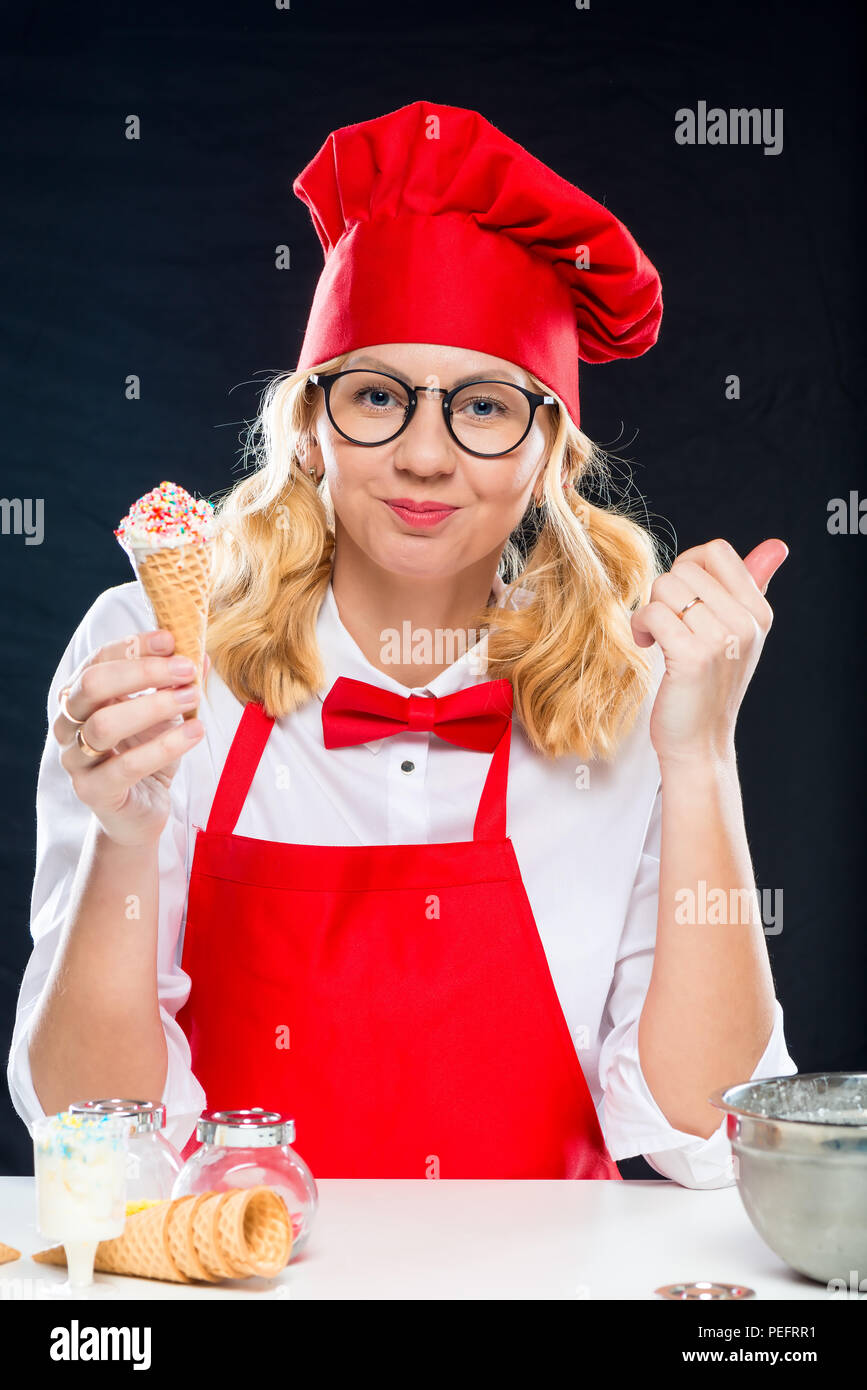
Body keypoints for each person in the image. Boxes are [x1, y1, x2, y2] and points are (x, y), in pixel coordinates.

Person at [7, 100, 796, 1184]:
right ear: (312, 425)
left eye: (483, 407)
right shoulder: (149, 657)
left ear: (551, 452)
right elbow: (86, 1131)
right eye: (377, 395)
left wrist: (702, 757)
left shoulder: (641, 684)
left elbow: (709, 1141)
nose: (425, 455)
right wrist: (124, 838)